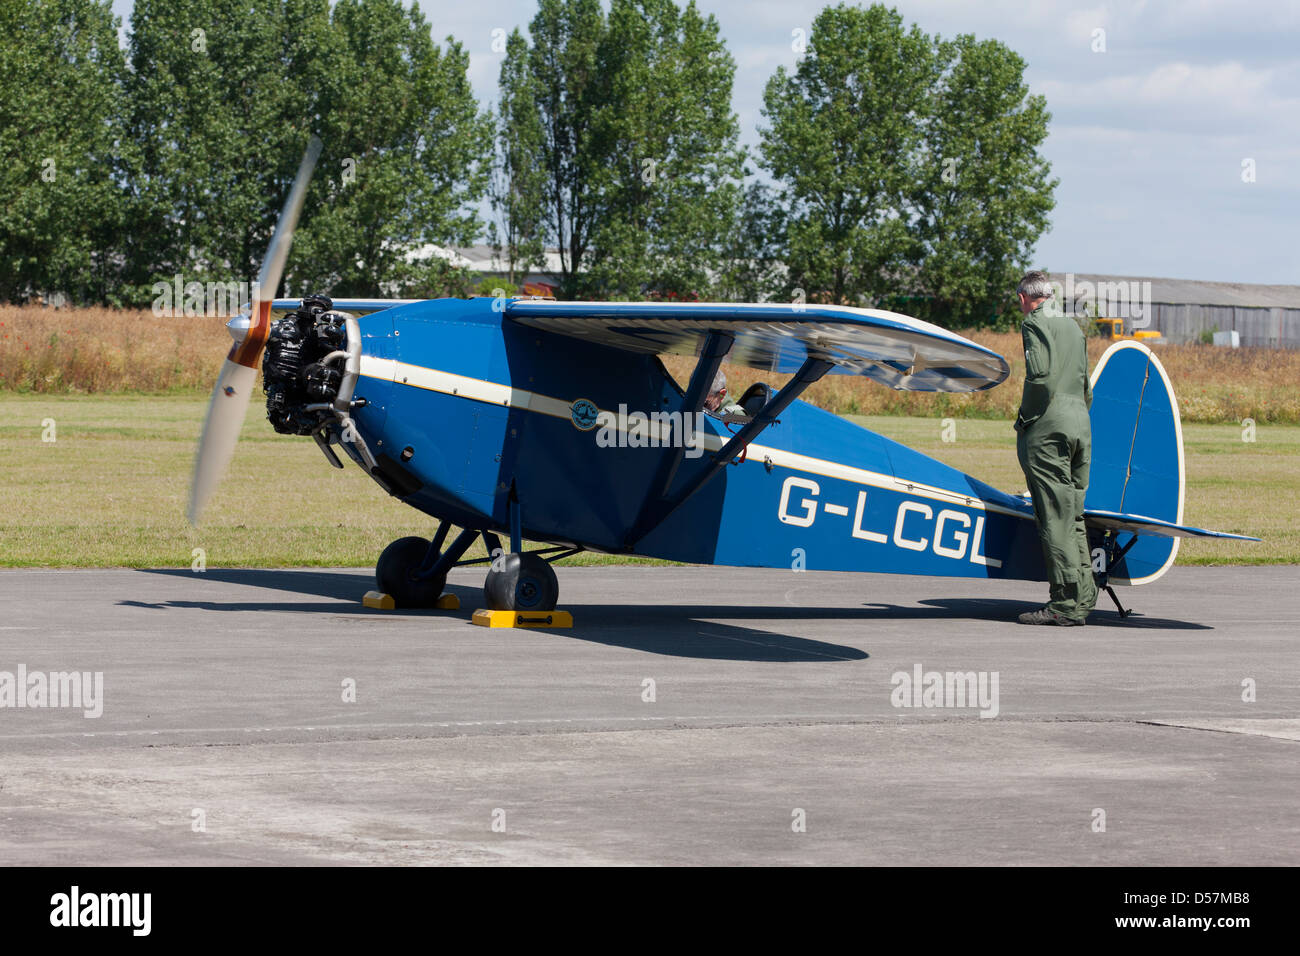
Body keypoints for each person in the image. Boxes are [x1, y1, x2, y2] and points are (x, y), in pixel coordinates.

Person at [1013, 270, 1098, 626]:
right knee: (1073, 512)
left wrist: (1026, 418)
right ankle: (1083, 598)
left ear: (1024, 298)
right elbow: (1086, 385)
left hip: (1049, 426)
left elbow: (1041, 377)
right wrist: (1075, 416)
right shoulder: (1075, 328)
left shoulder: (1034, 323)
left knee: (1052, 515)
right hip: (1080, 423)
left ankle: (1063, 604)